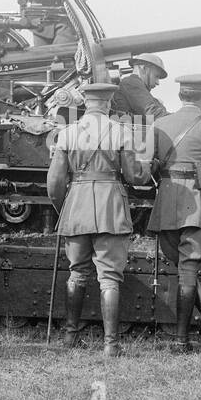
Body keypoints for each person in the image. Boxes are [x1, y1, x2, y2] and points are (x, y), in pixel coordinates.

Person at [46, 82, 149, 357]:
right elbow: (132, 176)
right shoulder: (121, 132)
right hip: (110, 208)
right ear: (108, 103)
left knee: (77, 272)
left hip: (76, 206)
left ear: (86, 103)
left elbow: (54, 184)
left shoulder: (66, 134)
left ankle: (70, 336)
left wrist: (64, 210)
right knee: (110, 277)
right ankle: (111, 345)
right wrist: (149, 167)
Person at [146, 74, 201, 353]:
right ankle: (184, 338)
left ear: (180, 96)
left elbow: (149, 167)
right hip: (196, 203)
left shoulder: (160, 124)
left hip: (168, 202)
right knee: (189, 269)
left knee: (182, 268)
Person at [111, 52, 168, 123]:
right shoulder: (131, 83)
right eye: (156, 76)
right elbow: (153, 114)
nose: (157, 82)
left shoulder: (133, 86)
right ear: (144, 69)